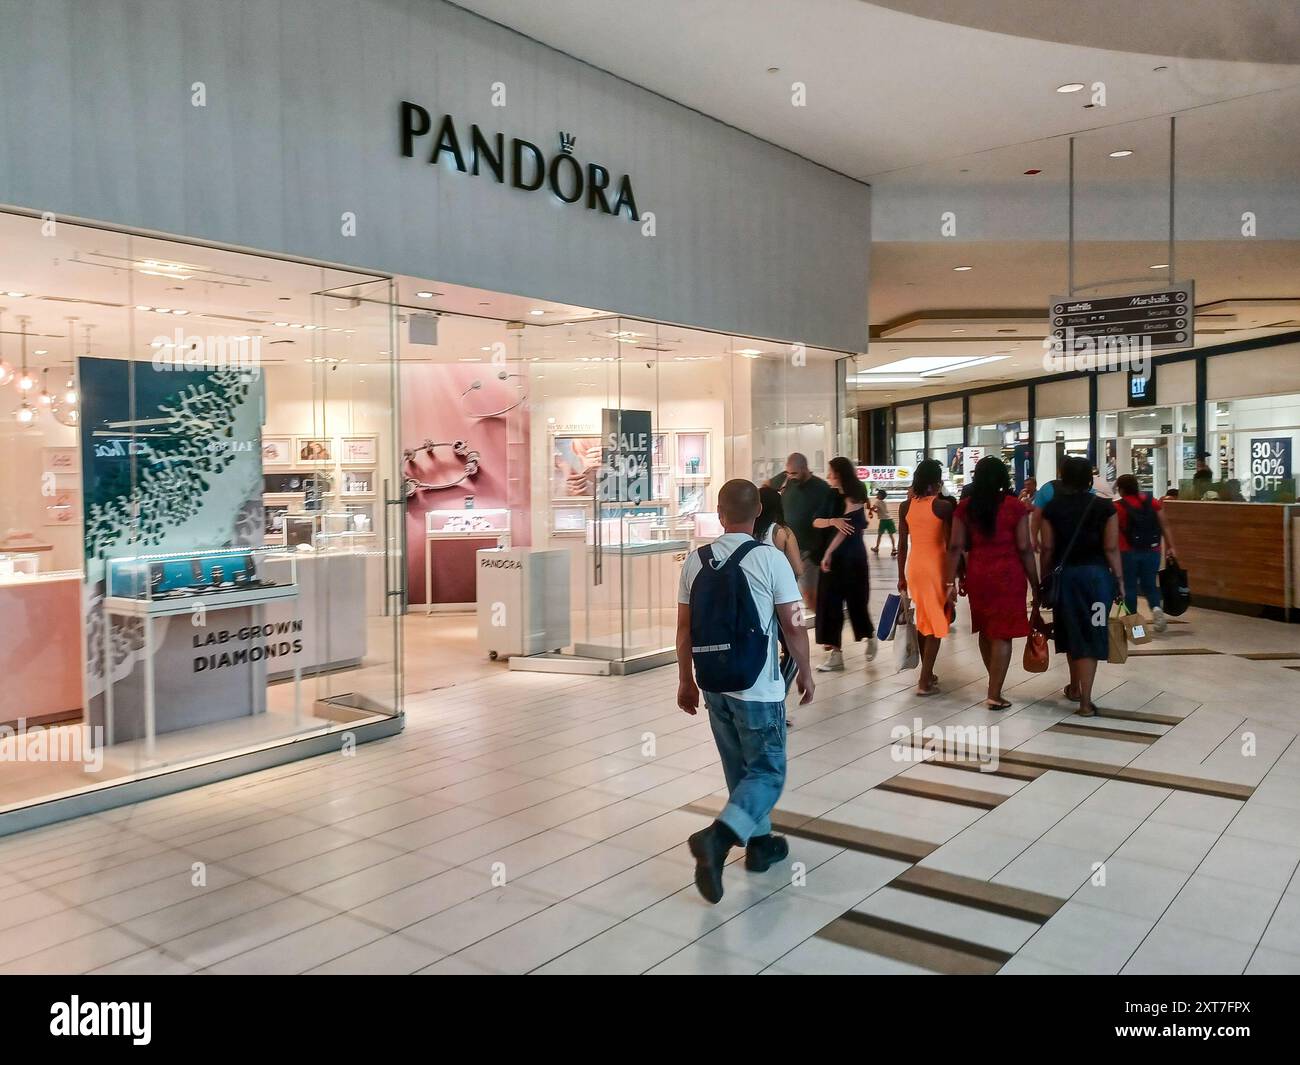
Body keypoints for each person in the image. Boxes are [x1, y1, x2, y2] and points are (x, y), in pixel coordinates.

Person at [677, 479, 814, 905]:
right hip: (758, 685)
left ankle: (759, 846)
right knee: (769, 772)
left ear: (719, 513)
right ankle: (718, 839)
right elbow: (793, 623)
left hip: (714, 682)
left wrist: (686, 679)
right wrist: (806, 671)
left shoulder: (694, 561)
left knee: (740, 770)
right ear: (758, 512)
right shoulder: (770, 559)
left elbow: (684, 630)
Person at [948, 456, 1040, 710]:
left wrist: (949, 582)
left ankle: (994, 685)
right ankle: (994, 692)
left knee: (986, 630)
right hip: (1008, 576)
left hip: (978, 574)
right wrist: (1036, 582)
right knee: (1003, 634)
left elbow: (955, 546)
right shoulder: (1014, 507)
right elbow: (1024, 547)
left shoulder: (965, 507)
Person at [1041, 455, 1125, 717]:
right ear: (1090, 477)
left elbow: (1047, 548)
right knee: (1092, 631)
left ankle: (1075, 687)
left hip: (1066, 579)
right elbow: (1111, 548)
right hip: (1097, 579)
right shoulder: (1105, 507)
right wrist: (1120, 581)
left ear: (1062, 478)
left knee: (1070, 630)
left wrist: (1043, 579)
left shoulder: (1052, 507)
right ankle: (1085, 700)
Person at [810, 458, 878, 672]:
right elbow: (816, 521)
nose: (828, 476)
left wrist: (828, 552)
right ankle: (835, 654)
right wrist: (831, 520)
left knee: (857, 601)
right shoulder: (830, 494)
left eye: (831, 472)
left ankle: (869, 635)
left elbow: (846, 529)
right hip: (833, 559)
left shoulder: (856, 492)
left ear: (840, 473)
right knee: (829, 605)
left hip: (851, 557)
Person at [897, 459, 955, 695]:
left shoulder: (905, 506)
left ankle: (928, 673)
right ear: (936, 481)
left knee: (924, 620)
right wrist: (952, 578)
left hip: (915, 567)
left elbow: (902, 544)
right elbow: (952, 545)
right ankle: (924, 680)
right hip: (936, 568)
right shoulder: (943, 507)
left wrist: (901, 575)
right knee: (936, 622)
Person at [755, 485, 804, 709]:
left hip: (757, 599)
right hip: (782, 598)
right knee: (792, 651)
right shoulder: (782, 532)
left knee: (764, 650)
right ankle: (777, 702)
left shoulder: (752, 531)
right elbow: (798, 568)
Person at [769, 452, 835, 613]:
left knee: (809, 594)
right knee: (783, 592)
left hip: (809, 550)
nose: (791, 476)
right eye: (789, 473)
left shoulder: (821, 488)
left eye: (795, 473)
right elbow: (766, 488)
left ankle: (822, 624)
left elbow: (831, 516)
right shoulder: (787, 481)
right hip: (786, 548)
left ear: (804, 469)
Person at [1114, 473, 1177, 632]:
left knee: (1129, 588)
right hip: (1152, 550)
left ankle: (1136, 629)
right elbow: (1165, 525)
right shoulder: (1153, 502)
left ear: (1121, 489)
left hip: (1127, 552)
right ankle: (1156, 608)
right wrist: (1171, 547)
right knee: (1149, 584)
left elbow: (1112, 532)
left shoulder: (1118, 507)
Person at [870, 489, 897, 556]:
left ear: (880, 495)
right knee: (891, 535)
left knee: (879, 535)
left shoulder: (878, 502)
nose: (876, 495)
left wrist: (871, 510)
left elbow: (873, 508)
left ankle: (876, 547)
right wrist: (875, 511)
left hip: (883, 521)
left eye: (877, 494)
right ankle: (894, 548)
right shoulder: (884, 501)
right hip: (890, 520)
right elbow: (880, 510)